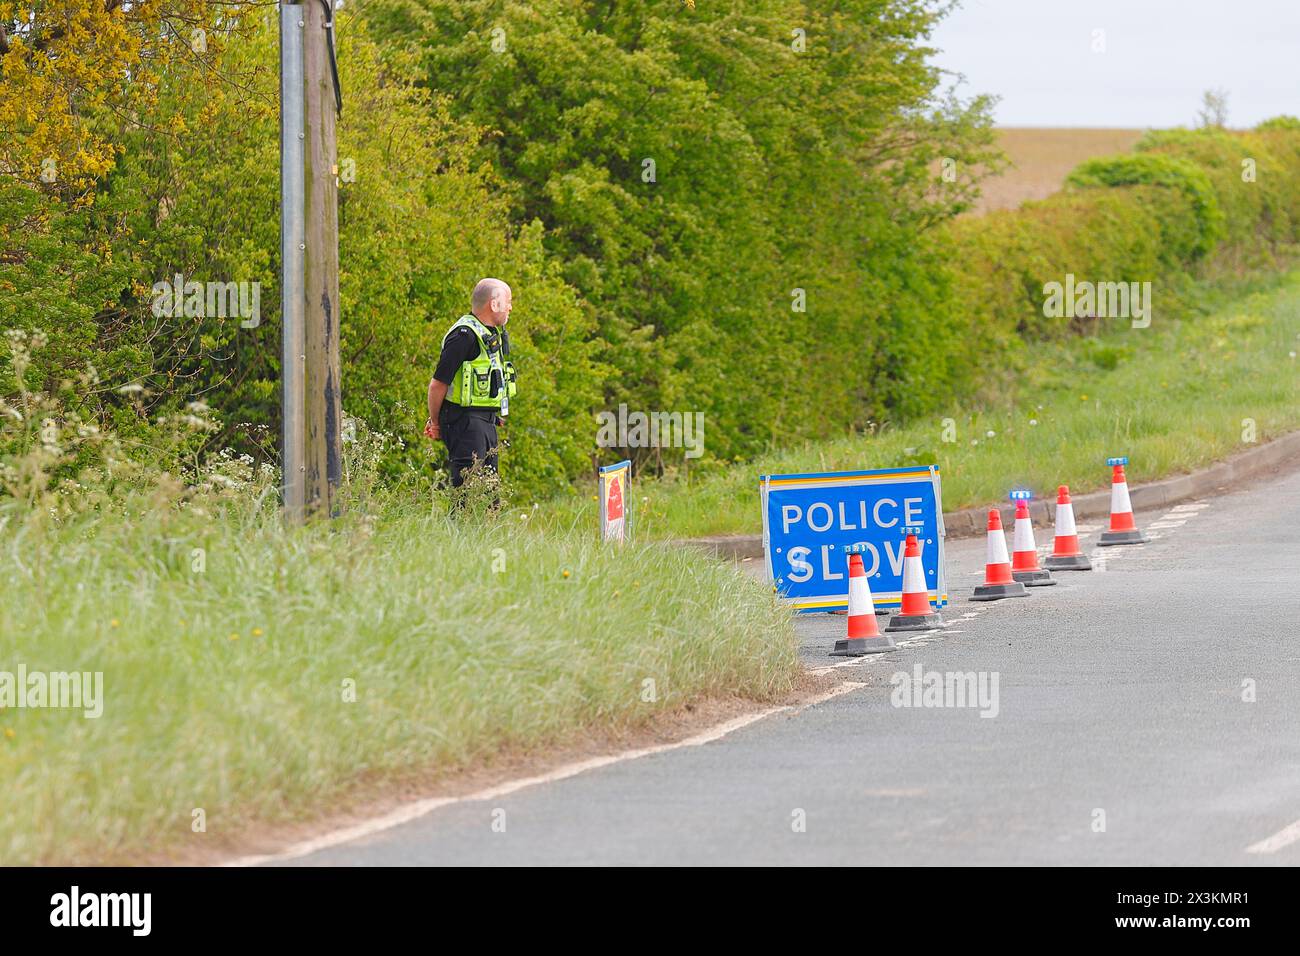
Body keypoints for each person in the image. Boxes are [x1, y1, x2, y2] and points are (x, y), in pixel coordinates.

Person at [424, 278, 518, 488]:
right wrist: (435, 422)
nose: (510, 307)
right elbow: (438, 384)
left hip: (484, 422)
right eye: (508, 301)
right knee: (467, 491)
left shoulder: (490, 334)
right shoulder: (463, 336)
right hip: (464, 423)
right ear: (494, 304)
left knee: (489, 494)